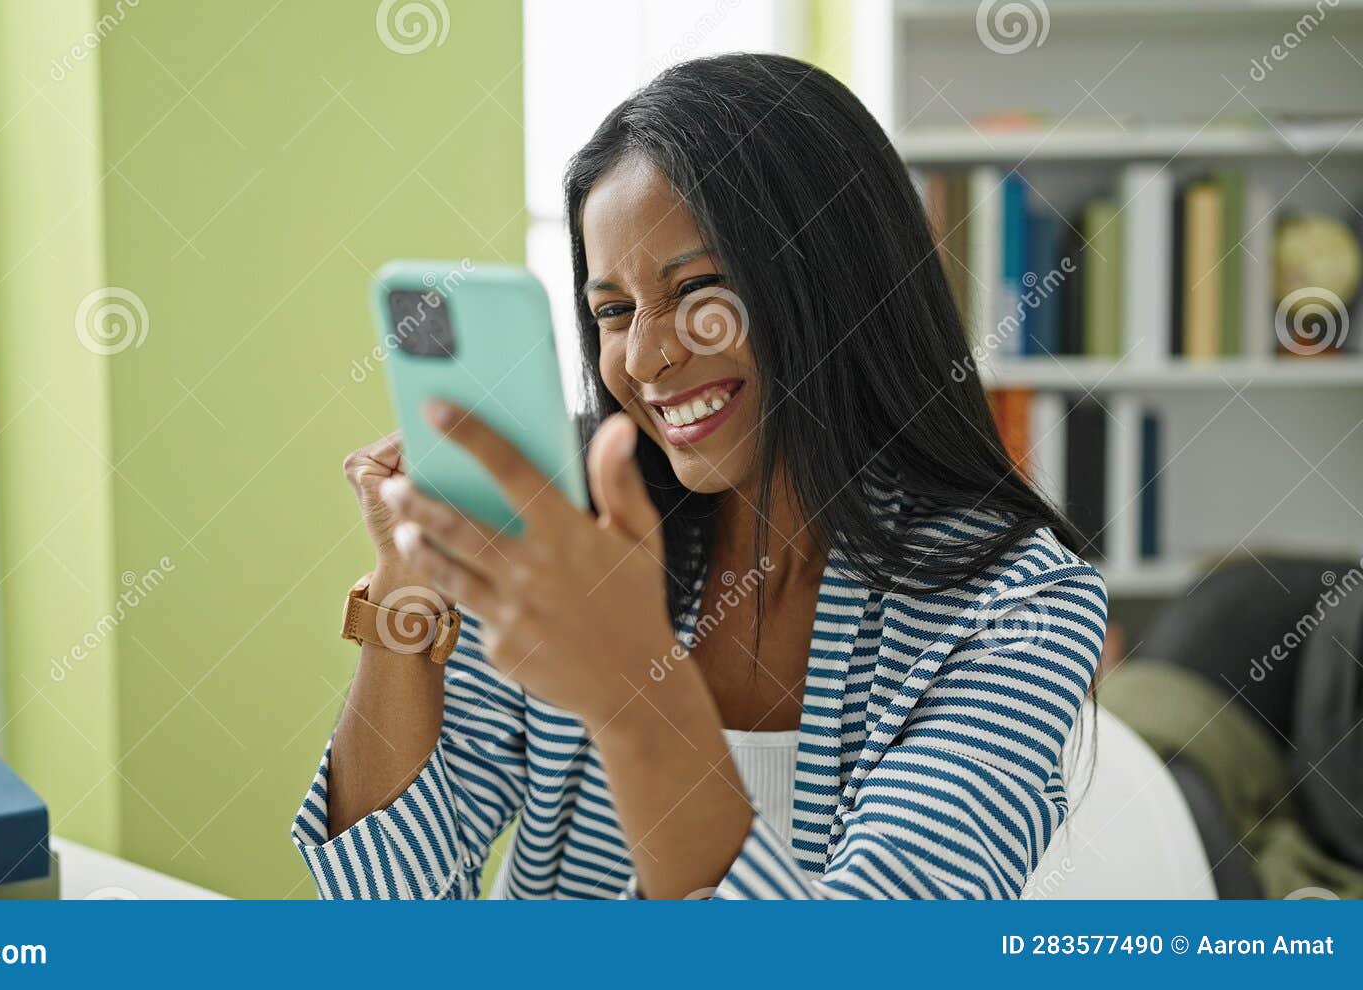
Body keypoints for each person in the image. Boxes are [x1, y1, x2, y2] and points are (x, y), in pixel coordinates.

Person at [293, 53, 1107, 899]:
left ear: (831, 276)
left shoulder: (1017, 607)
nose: (645, 356)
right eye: (612, 310)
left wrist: (628, 686)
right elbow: (389, 909)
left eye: (700, 289)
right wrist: (402, 595)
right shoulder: (571, 535)